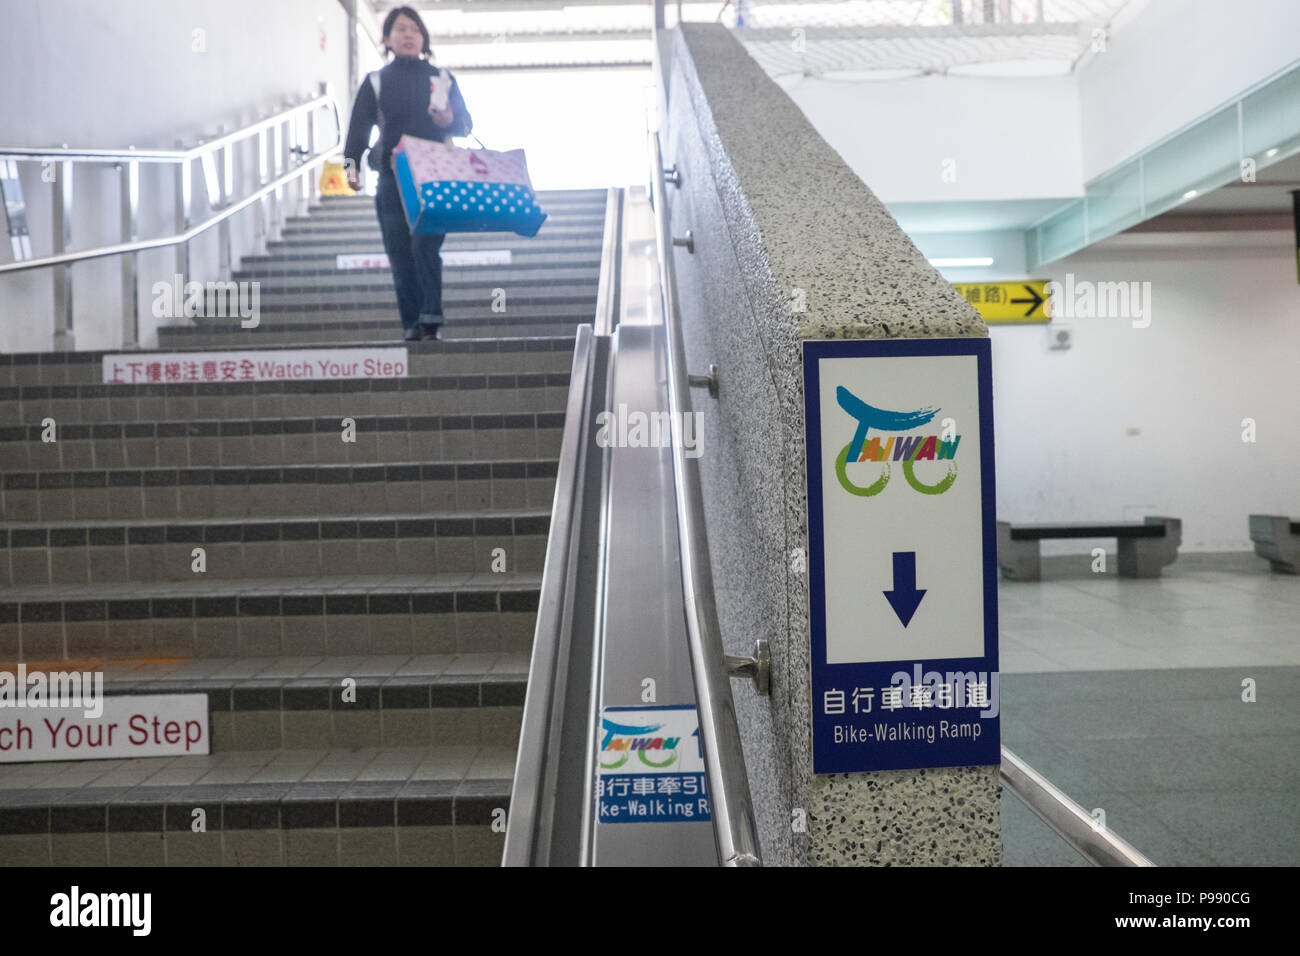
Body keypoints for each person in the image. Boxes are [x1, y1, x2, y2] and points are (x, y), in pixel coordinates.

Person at [343, 5, 472, 342]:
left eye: (415, 29)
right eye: (400, 29)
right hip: (391, 178)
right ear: (387, 38)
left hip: (435, 177)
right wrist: (350, 168)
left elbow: (465, 124)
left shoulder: (441, 78)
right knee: (399, 251)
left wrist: (449, 121)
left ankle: (431, 318)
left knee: (425, 246)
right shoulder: (376, 81)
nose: (409, 35)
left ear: (423, 38)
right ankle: (411, 324)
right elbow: (358, 130)